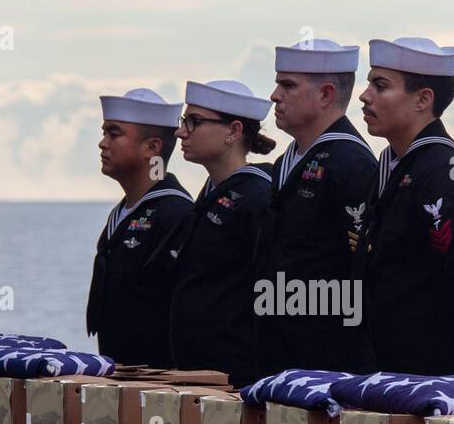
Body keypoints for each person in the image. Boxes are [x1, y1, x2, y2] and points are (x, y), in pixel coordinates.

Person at [354, 36, 454, 375]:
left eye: (380, 86)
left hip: (432, 376)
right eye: (369, 84)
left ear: (423, 100)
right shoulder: (393, 164)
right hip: (385, 368)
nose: (364, 96)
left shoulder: (444, 169)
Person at [258, 38, 377, 376]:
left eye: (287, 85)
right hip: (280, 346)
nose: (274, 95)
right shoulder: (287, 161)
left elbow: (364, 266)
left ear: (325, 94)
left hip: (327, 356)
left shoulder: (350, 162)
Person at [157, 79, 274, 385]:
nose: (181, 132)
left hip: (235, 376)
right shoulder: (212, 192)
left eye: (194, 122)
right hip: (200, 372)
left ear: (234, 131)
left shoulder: (257, 196)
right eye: (184, 122)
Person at [85, 88, 192, 367]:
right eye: (104, 132)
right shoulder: (124, 211)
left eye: (114, 133)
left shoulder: (176, 214)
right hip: (122, 370)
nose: (102, 143)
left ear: (152, 148)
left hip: (157, 380)